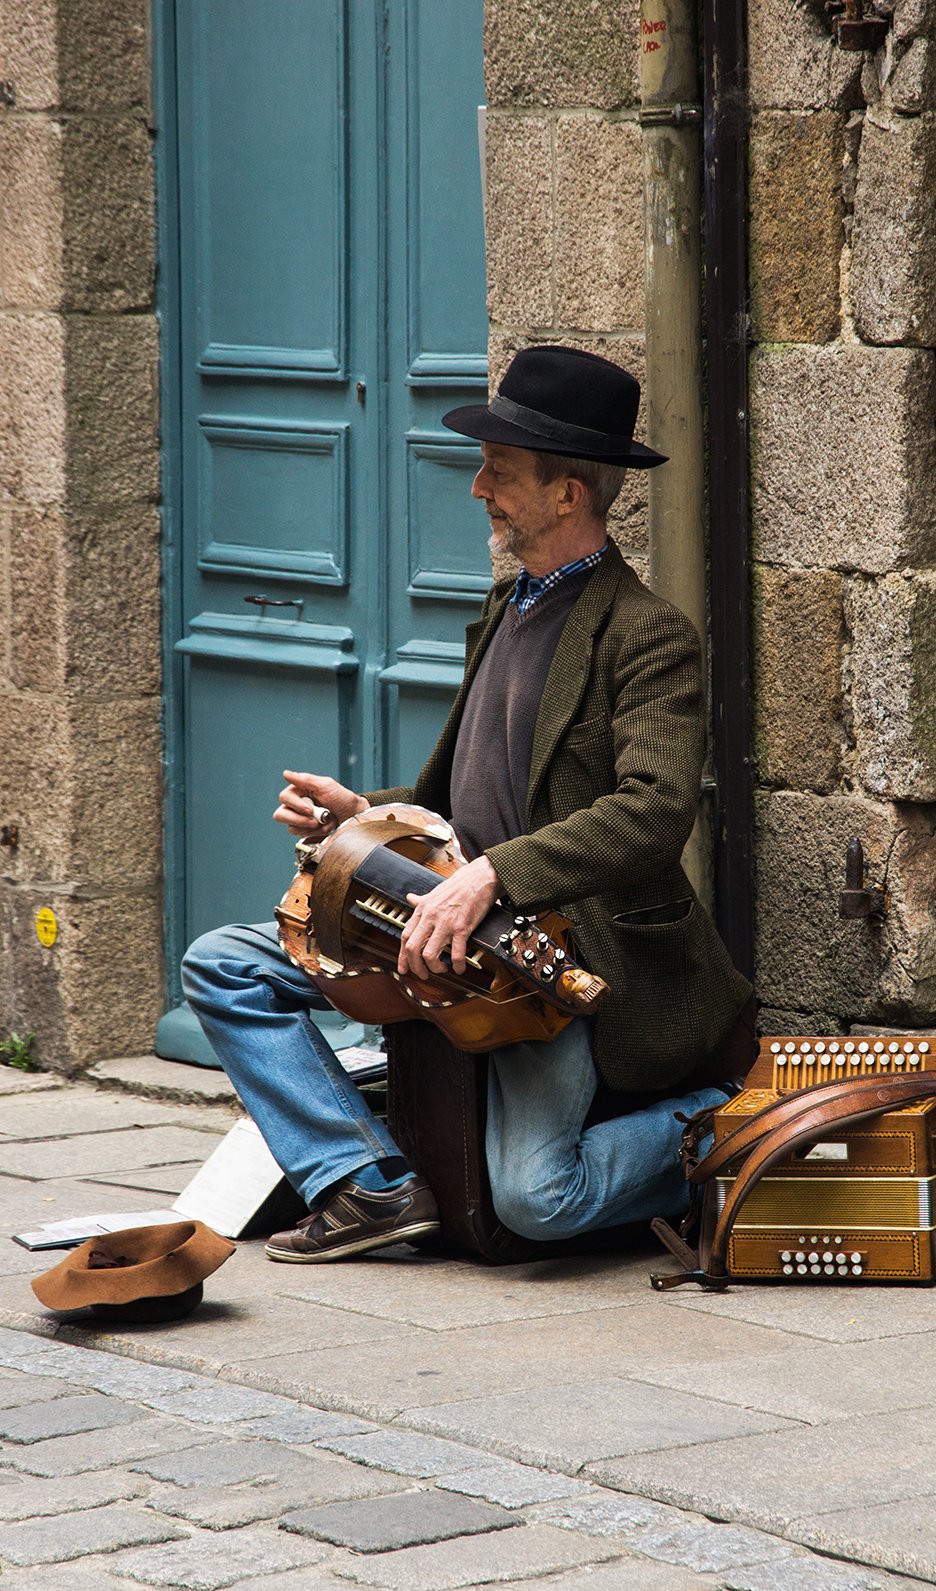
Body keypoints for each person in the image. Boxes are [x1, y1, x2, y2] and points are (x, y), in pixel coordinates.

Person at [182, 345, 753, 1263]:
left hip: (555, 951)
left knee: (539, 1199)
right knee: (225, 965)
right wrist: (359, 812)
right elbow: (460, 798)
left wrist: (493, 876)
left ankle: (737, 1117)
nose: (478, 487)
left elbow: (652, 813)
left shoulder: (649, 634)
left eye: (500, 470)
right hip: (447, 917)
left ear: (567, 493)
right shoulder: (504, 605)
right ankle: (367, 1183)